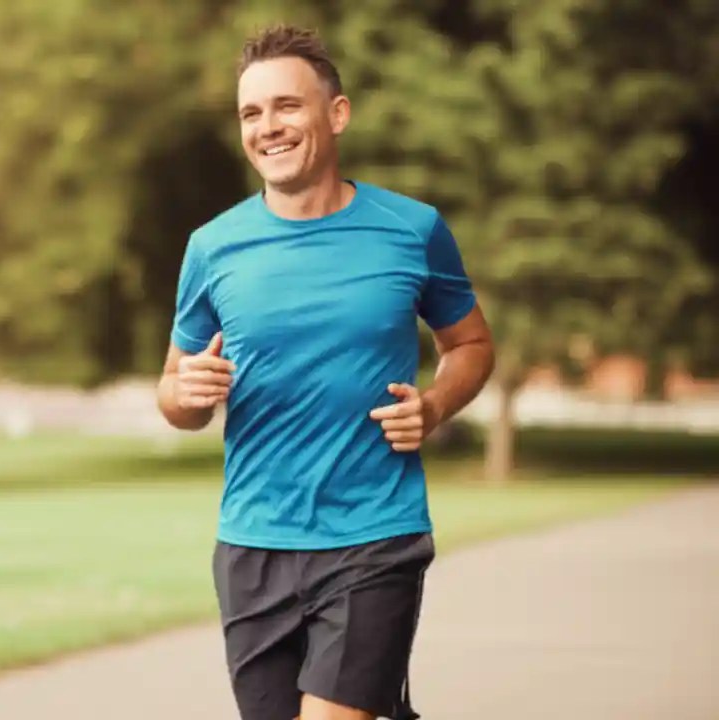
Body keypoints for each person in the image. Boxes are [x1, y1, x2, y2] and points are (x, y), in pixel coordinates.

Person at [156, 24, 496, 720]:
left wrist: (432, 407)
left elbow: (471, 345)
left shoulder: (412, 229)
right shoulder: (213, 247)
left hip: (375, 535)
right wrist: (186, 395)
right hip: (253, 545)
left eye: (287, 106)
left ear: (335, 114)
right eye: (252, 113)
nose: (268, 127)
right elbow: (174, 390)